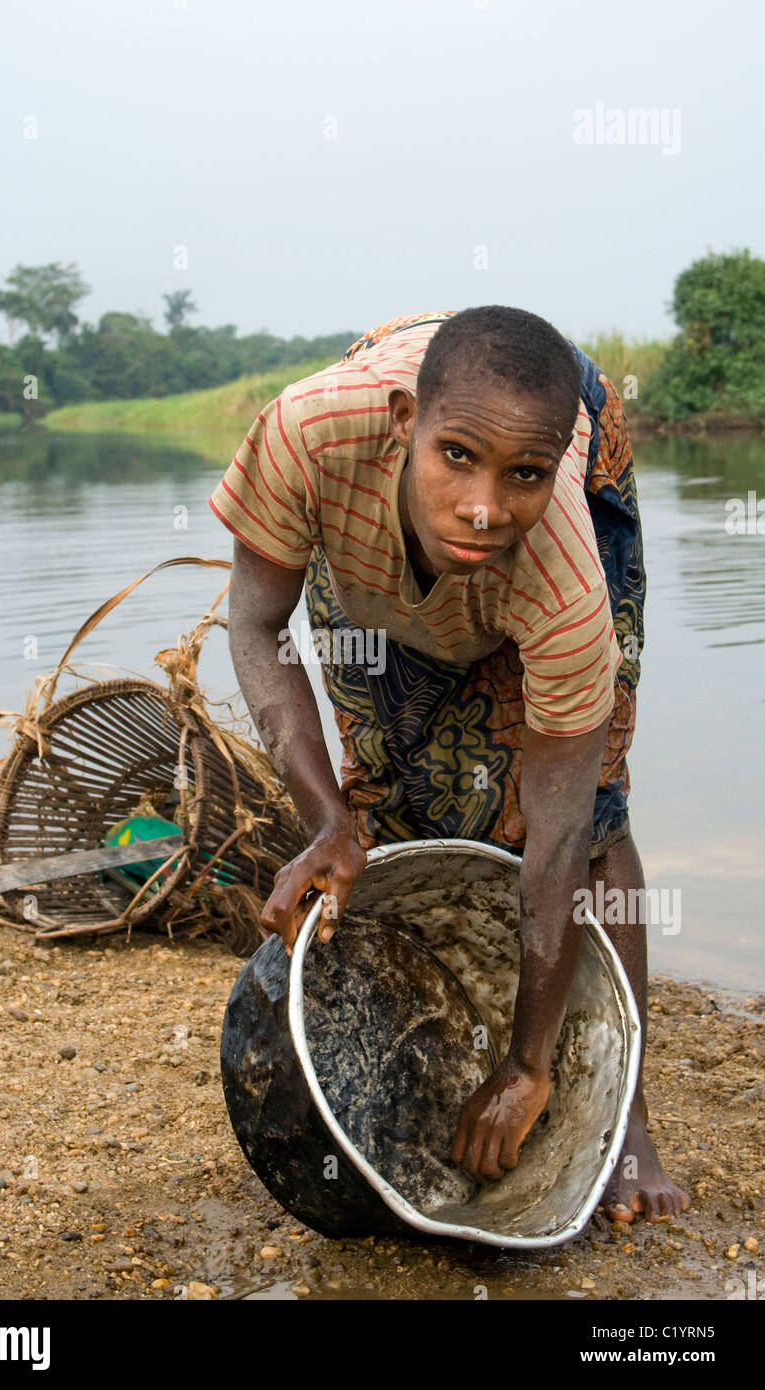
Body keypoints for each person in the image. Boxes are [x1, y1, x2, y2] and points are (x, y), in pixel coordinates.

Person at [209, 305, 690, 1222]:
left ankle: (625, 1118)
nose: (482, 507)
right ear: (403, 428)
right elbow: (257, 626)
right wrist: (325, 822)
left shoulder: (564, 588)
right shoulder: (309, 438)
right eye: (457, 457)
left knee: (595, 811)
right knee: (388, 792)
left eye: (524, 476)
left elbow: (558, 840)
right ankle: (422, 1051)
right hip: (364, 519)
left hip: (566, 468)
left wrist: (529, 1066)